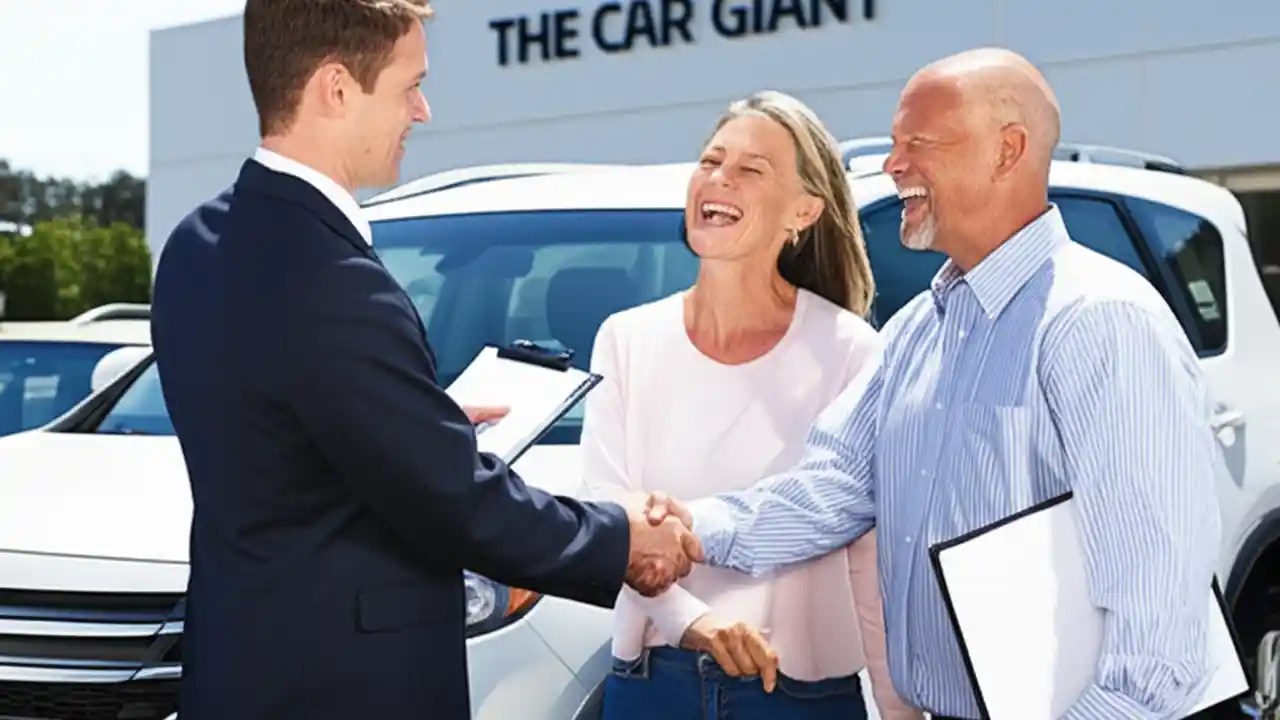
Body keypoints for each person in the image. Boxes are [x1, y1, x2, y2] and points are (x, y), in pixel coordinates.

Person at [149, 2, 699, 719]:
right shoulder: (332, 279)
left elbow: (284, 434)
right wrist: (623, 539)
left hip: (241, 670)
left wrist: (415, 421)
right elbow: (455, 502)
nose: (424, 110)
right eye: (410, 84)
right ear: (337, 88)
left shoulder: (195, 245)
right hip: (346, 691)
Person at [647, 47, 1225, 720]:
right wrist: (683, 528)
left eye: (919, 143)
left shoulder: (1100, 323)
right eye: (894, 145)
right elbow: (829, 489)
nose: (894, 165)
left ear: (1008, 150)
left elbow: (1156, 629)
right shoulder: (919, 329)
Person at [581, 90, 921, 720]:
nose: (719, 179)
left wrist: (902, 713)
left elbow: (874, 560)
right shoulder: (625, 340)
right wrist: (698, 624)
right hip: (653, 688)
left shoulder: (849, 350)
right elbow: (610, 523)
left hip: (799, 699)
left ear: (804, 211)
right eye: (712, 160)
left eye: (750, 169)